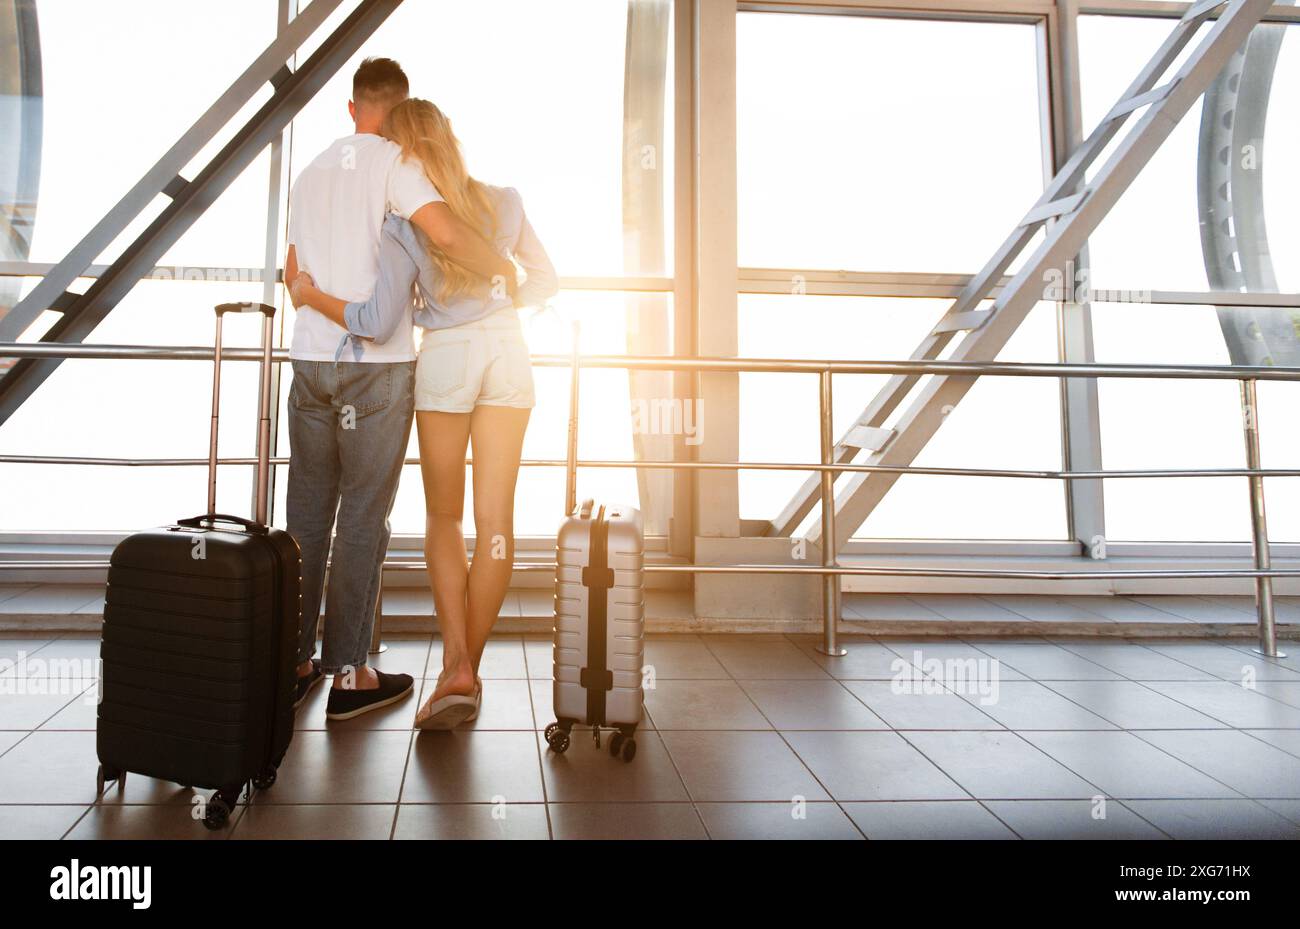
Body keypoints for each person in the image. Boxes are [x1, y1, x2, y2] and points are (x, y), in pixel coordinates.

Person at [289, 97, 558, 729]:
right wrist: (502, 301)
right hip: (508, 351)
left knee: (445, 517)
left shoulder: (403, 223)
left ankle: (454, 663)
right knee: (497, 523)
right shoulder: (507, 200)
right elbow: (545, 281)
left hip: (445, 363)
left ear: (405, 154)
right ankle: (467, 672)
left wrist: (308, 294)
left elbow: (376, 320)